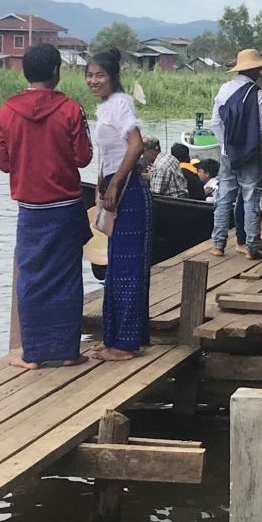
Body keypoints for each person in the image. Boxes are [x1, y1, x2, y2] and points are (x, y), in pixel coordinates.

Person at [0, 42, 93, 369]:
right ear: (56, 71)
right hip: (66, 205)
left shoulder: (6, 111)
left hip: (30, 209)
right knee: (68, 277)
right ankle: (68, 352)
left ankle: (32, 354)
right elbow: (83, 157)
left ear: (25, 71)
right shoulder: (71, 109)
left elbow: (4, 163)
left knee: (31, 278)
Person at [86, 49, 148, 361]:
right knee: (115, 267)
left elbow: (137, 144)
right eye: (90, 75)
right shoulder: (106, 106)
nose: (93, 80)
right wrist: (101, 183)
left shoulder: (121, 103)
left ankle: (125, 344)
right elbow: (109, 152)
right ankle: (113, 339)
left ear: (112, 77)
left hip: (128, 191)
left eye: (99, 75)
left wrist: (113, 184)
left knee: (127, 268)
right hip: (114, 188)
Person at [211, 48, 262, 259]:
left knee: (224, 198)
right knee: (251, 198)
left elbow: (215, 123)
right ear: (254, 70)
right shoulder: (256, 92)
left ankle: (218, 245)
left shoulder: (224, 89)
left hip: (227, 153)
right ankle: (251, 247)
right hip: (250, 155)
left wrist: (224, 146)